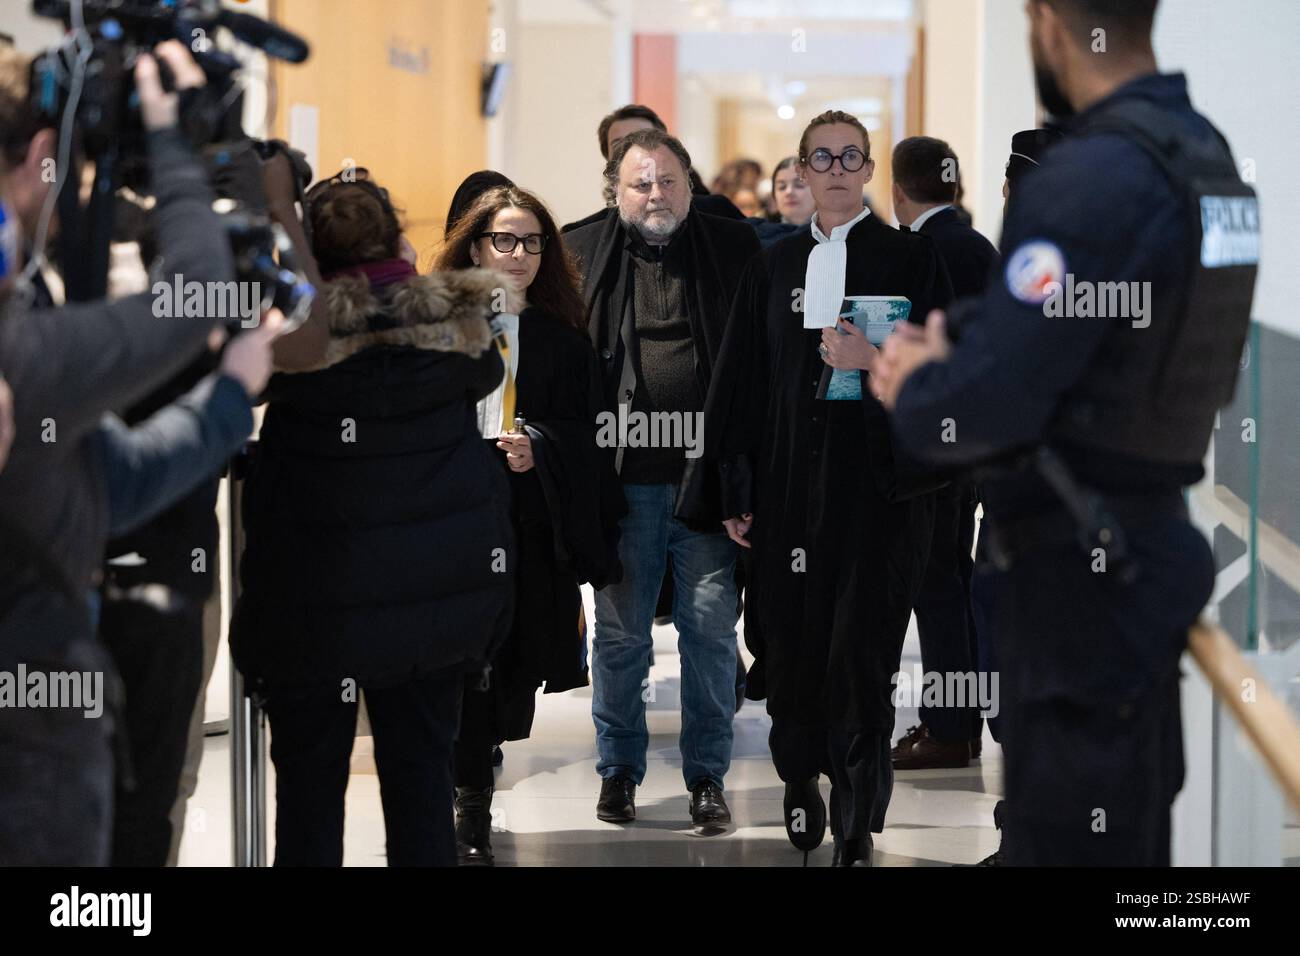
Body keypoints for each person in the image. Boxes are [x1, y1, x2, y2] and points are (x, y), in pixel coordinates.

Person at [874, 0, 1258, 866]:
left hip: (1081, 577)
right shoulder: (1204, 156)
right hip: (1143, 546)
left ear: (1048, 21)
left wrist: (916, 380)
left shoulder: (1093, 177)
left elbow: (978, 409)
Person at [0, 41, 278, 866]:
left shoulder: (30, 338)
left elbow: (102, 482)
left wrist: (227, 399)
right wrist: (174, 134)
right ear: (42, 158)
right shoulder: (23, 356)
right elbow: (193, 292)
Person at [229, 170, 514, 867]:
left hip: (311, 614)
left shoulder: (291, 350)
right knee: (421, 788)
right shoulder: (461, 340)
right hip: (431, 615)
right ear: (399, 242)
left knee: (307, 796)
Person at [705, 110, 952, 866]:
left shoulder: (911, 262)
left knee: (861, 658)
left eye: (851, 156)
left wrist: (870, 356)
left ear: (870, 169)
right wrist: (735, 486)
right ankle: (800, 780)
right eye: (822, 157)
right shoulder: (771, 267)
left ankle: (855, 816)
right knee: (791, 649)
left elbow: (947, 378)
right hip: (786, 498)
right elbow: (740, 385)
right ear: (804, 173)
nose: (837, 168)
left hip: (875, 498)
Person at [565, 127, 760, 826]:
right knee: (620, 637)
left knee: (710, 634)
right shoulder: (580, 254)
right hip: (621, 487)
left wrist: (745, 481)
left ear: (689, 183)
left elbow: (754, 375)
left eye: (668, 180)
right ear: (615, 191)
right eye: (641, 182)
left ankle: (708, 776)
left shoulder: (733, 250)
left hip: (702, 486)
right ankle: (618, 770)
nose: (656, 194)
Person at [435, 184, 624, 865]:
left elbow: (591, 440)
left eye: (532, 242)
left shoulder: (565, 340)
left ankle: (478, 763)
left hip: (528, 523)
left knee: (509, 667)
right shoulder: (442, 329)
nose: (519, 255)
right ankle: (468, 801)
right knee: (461, 661)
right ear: (475, 246)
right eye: (504, 240)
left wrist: (539, 447)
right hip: (453, 523)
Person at [888, 136, 998, 772]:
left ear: (899, 192)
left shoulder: (922, 249)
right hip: (975, 445)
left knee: (938, 591)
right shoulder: (980, 247)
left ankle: (950, 727)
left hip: (933, 449)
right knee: (953, 585)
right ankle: (957, 720)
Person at [562, 104, 744, 233]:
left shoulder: (718, 217)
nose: (632, 151)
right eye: (619, 145)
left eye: (644, 139)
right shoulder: (584, 237)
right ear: (607, 158)